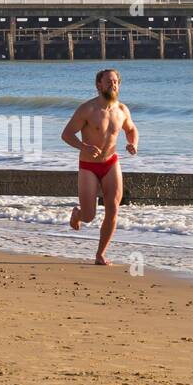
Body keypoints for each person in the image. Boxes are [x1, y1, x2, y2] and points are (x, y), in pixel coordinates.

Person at [61, 68, 138, 266]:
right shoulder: (87, 109)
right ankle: (78, 213)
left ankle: (100, 254)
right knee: (89, 216)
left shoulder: (122, 110)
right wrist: (83, 146)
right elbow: (67, 134)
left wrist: (133, 143)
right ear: (99, 85)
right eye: (109, 81)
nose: (113, 85)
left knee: (113, 208)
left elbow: (131, 129)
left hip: (111, 162)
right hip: (88, 166)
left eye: (116, 82)